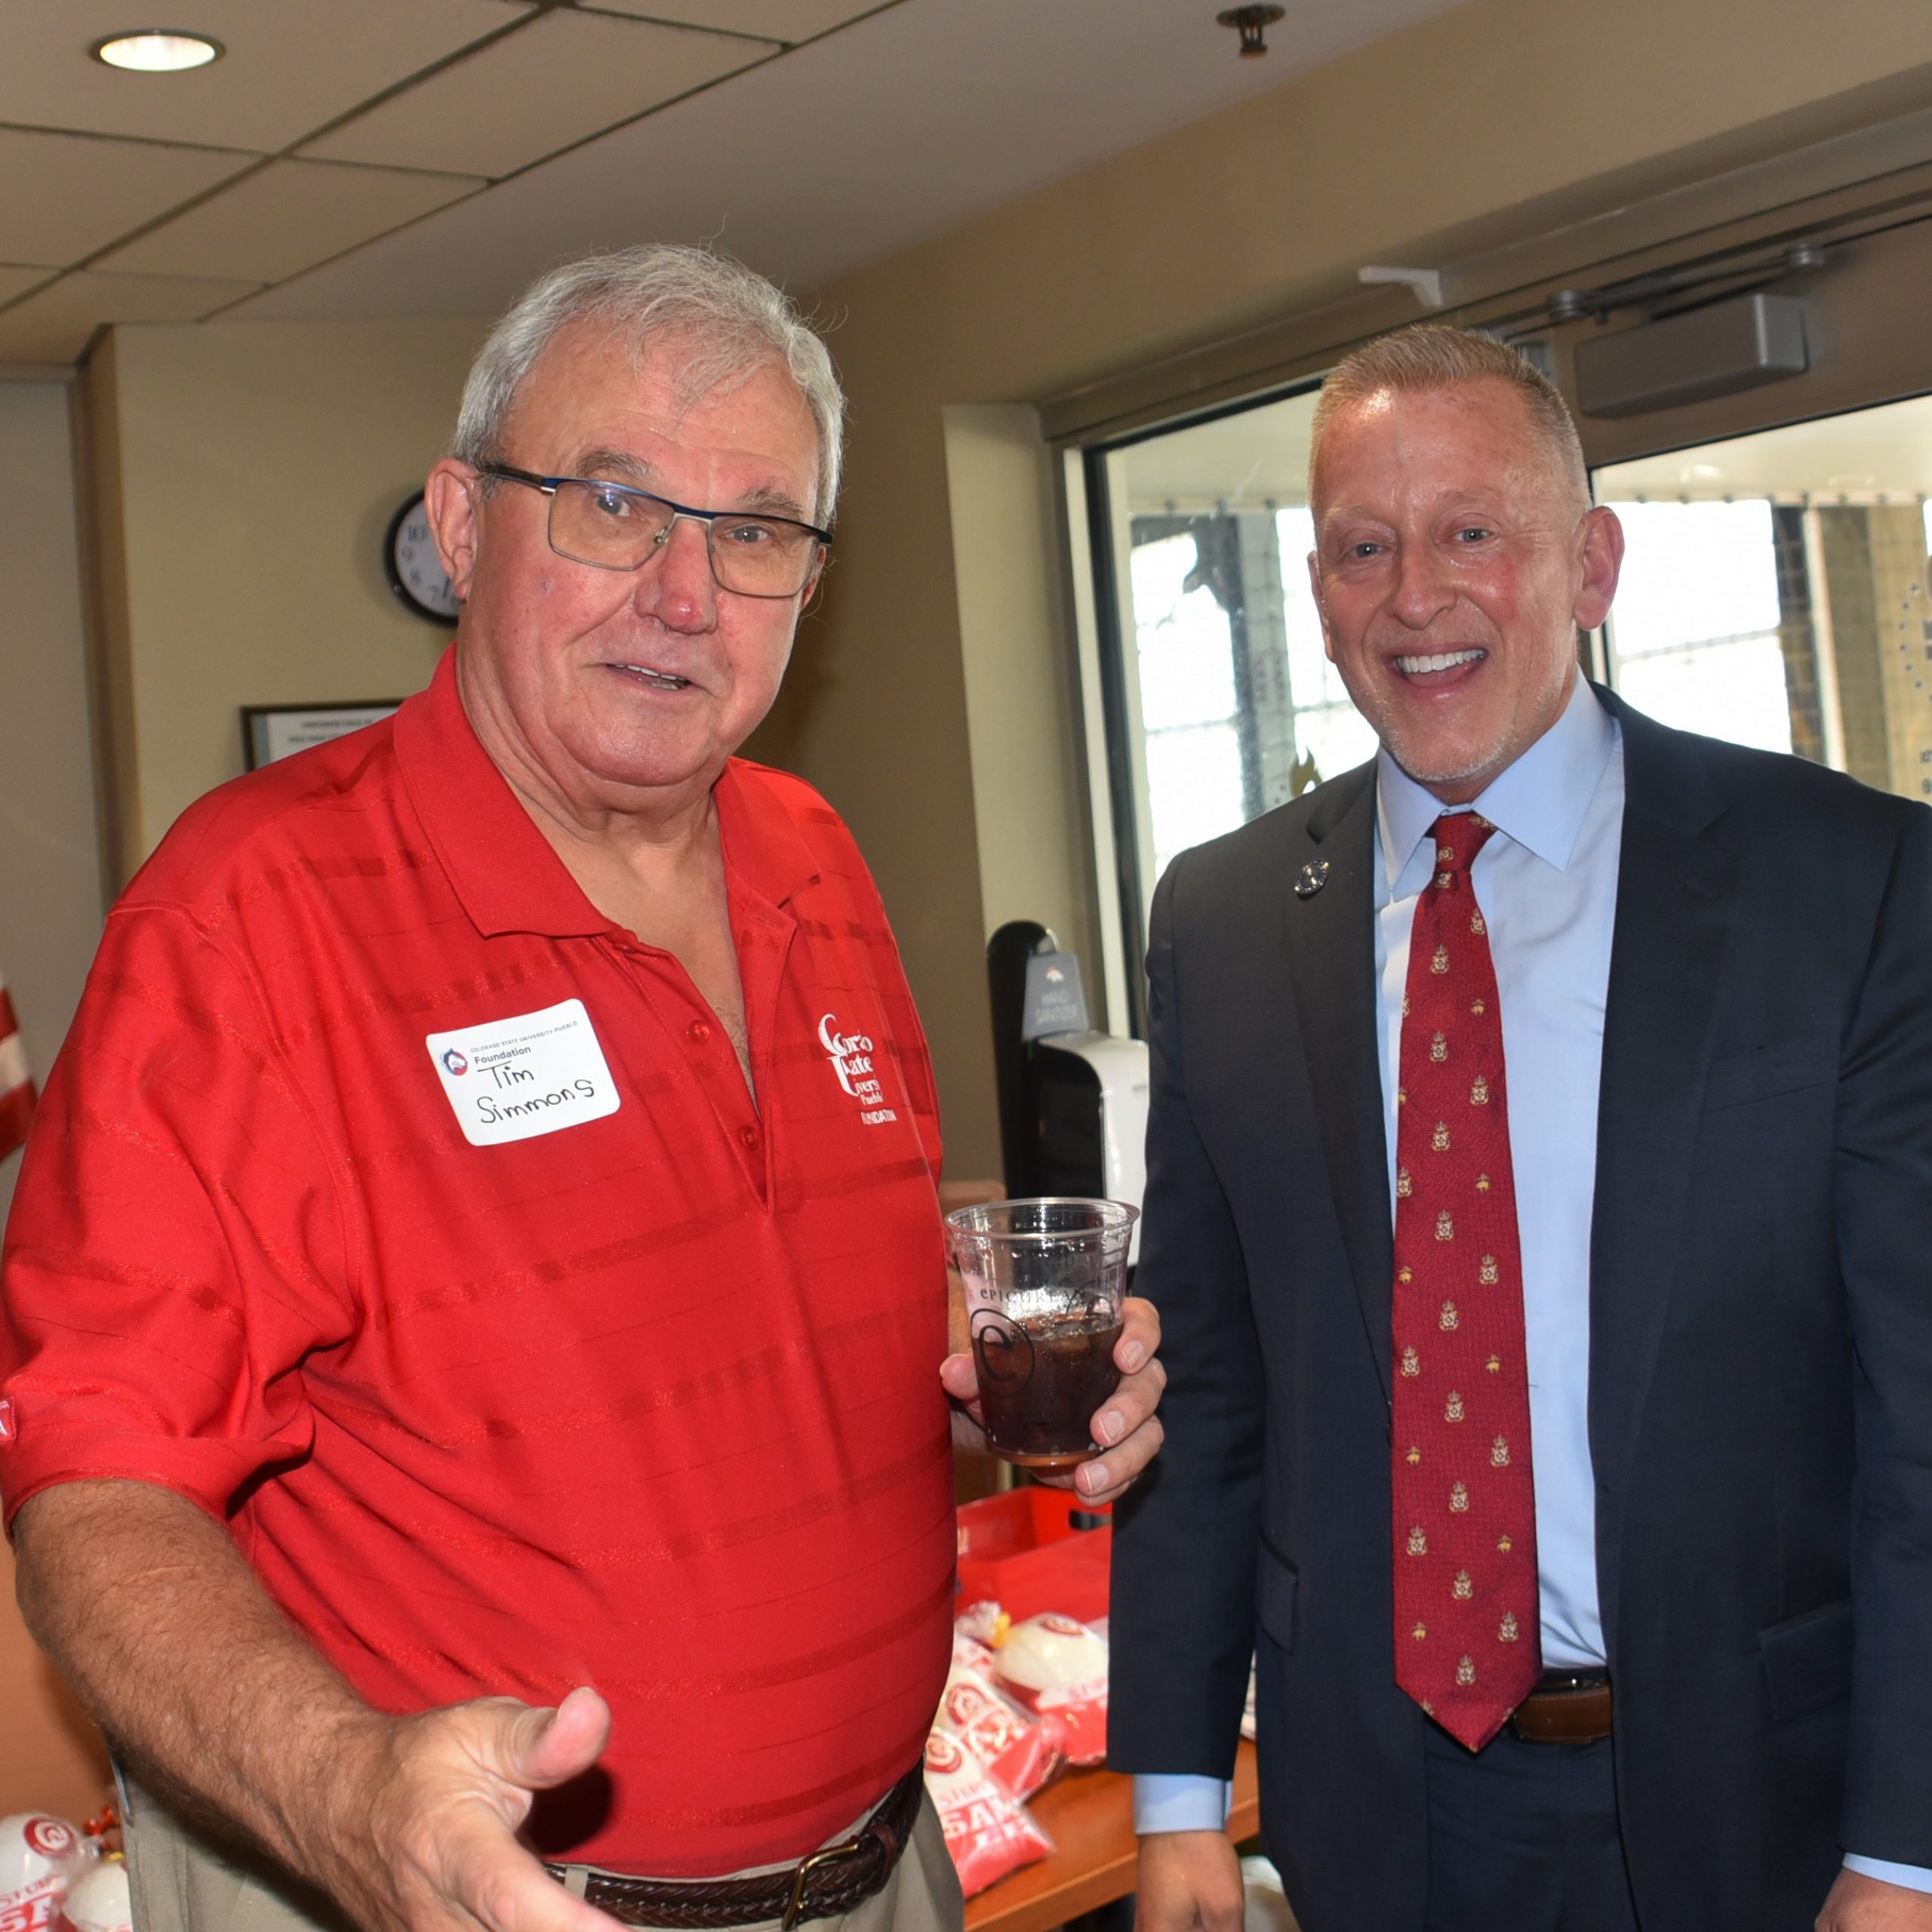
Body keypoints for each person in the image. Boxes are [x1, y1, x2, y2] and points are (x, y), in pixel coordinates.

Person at [0, 245, 1165, 1932]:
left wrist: (995, 1385)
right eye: (613, 504)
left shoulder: (816, 858)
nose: (685, 595)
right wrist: (351, 1796)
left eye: (756, 530)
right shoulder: (247, 915)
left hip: (880, 1866)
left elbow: (809, 1319)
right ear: (462, 524)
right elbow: (95, 1489)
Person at [1108, 322, 1932, 1932]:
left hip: (1766, 1798)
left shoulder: (1848, 885)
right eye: (1363, 547)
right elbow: (1202, 1385)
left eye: (1471, 530)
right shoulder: (1221, 921)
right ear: (1319, 588)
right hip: (1375, 1808)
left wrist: (1905, 1847)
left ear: (1591, 565)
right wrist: (1179, 1792)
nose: (1414, 596)